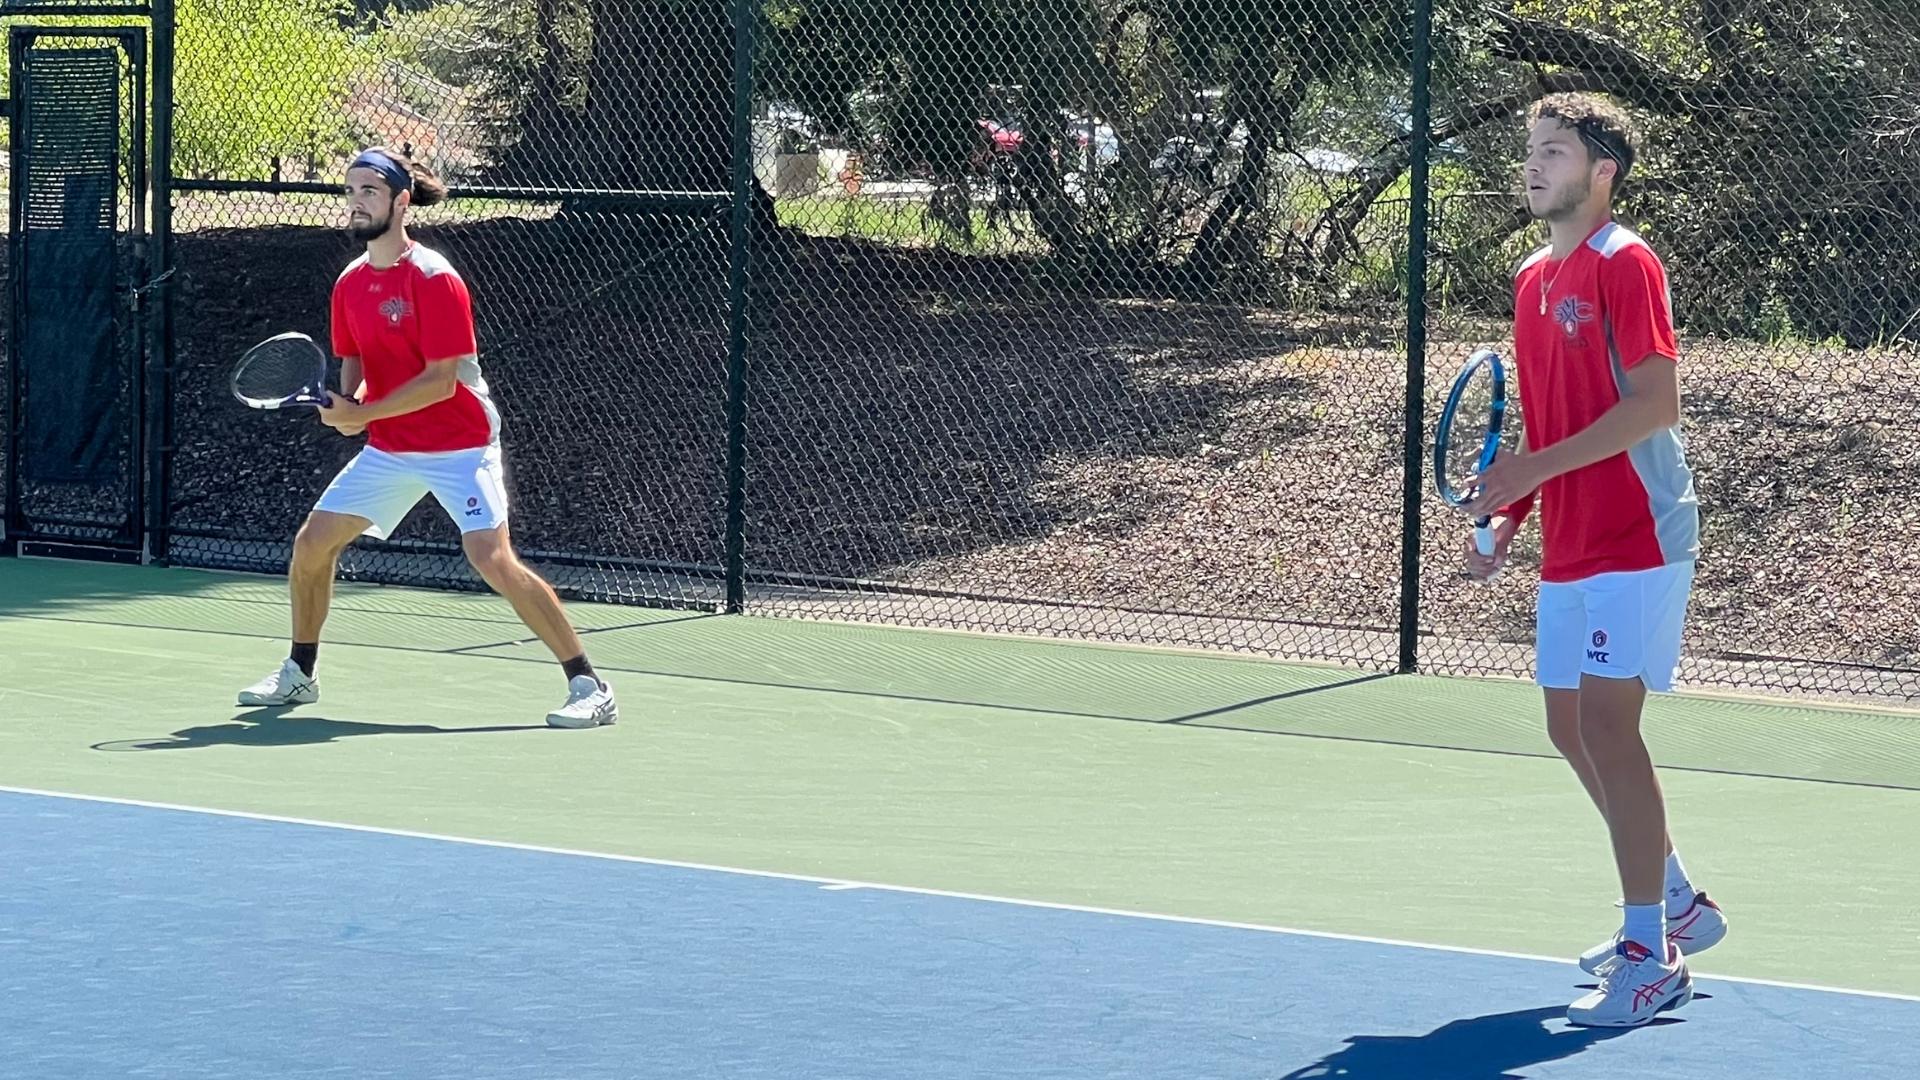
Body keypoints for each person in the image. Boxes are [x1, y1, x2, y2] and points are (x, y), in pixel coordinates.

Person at [1465, 94, 1727, 1027]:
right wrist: (1513, 508)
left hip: (1640, 532)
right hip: (1572, 537)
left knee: (1611, 728)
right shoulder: (1532, 278)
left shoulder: (1626, 261)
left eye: (1556, 151)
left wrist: (1530, 472)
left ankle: (1647, 955)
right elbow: (1548, 422)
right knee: (1569, 727)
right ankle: (1678, 902)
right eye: (1531, 150)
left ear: (1602, 171)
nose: (1535, 165)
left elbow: (1656, 404)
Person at [236, 146, 618, 730]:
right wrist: (350, 407)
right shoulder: (349, 284)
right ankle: (300, 672)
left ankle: (589, 685)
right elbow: (354, 363)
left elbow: (441, 383)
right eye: (350, 191)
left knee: (491, 558)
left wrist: (366, 413)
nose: (356, 202)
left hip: (460, 444)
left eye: (369, 191)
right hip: (391, 449)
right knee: (312, 545)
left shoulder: (435, 278)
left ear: (400, 201)